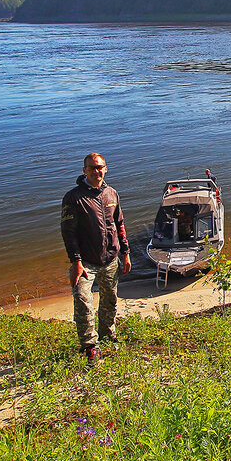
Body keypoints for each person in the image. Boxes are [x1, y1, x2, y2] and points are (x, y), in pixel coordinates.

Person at [60, 152, 131, 365]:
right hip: (85, 262)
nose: (96, 171)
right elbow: (68, 232)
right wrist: (76, 262)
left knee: (110, 300)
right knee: (83, 301)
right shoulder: (73, 197)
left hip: (111, 259)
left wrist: (125, 253)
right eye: (91, 168)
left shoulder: (112, 194)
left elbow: (119, 224)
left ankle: (108, 335)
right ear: (84, 171)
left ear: (105, 169)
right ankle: (89, 346)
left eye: (99, 167)